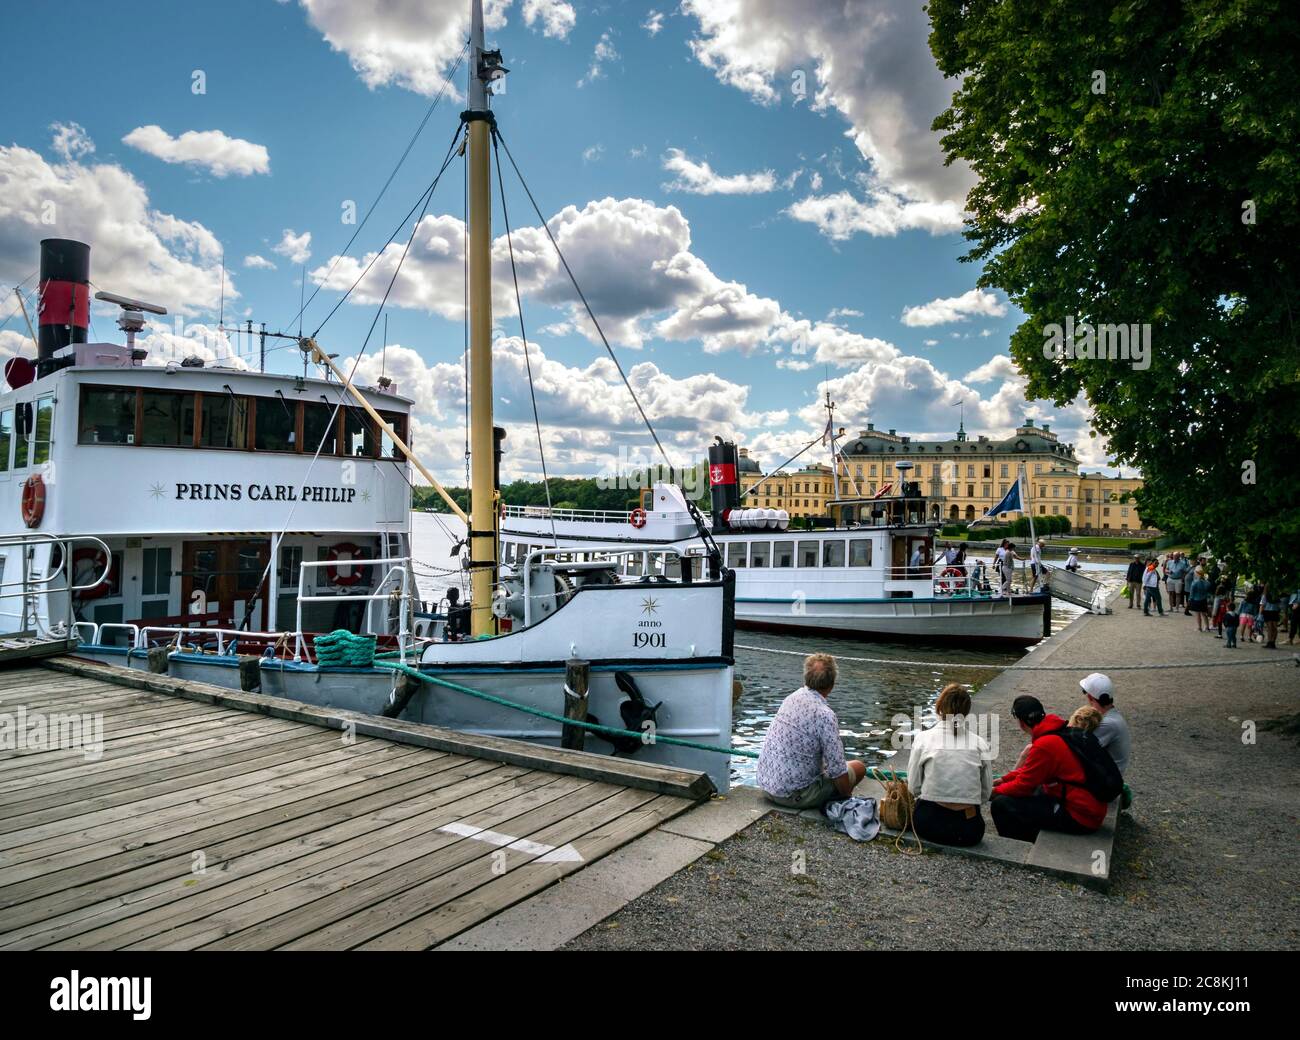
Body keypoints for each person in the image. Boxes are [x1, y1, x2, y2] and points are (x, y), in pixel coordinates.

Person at [990, 696, 1108, 842]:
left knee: (1001, 804)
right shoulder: (1059, 729)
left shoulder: (1044, 745)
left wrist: (994, 792)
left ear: (1021, 722)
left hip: (1080, 816)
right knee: (1032, 792)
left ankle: (1020, 845)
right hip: (1091, 808)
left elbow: (1023, 786)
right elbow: (1032, 770)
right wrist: (1003, 779)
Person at [757, 653, 866, 809]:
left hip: (767, 786)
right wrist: (848, 798)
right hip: (793, 796)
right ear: (832, 685)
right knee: (858, 767)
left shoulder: (791, 698)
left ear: (806, 678)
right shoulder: (825, 715)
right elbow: (837, 769)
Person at [906, 683, 992, 847]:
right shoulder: (980, 743)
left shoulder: (923, 738)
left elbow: (913, 787)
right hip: (968, 830)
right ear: (966, 712)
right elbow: (985, 794)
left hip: (929, 824)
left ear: (939, 707)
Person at [1080, 672, 1130, 775]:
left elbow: (1081, 748)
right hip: (1109, 774)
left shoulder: (1108, 724)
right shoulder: (1113, 716)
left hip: (1106, 781)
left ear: (1089, 697)